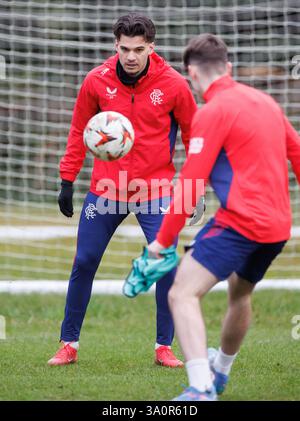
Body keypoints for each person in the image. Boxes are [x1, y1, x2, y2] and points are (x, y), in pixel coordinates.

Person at [148, 33, 300, 400]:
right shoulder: (265, 101)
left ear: (191, 75)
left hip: (242, 224)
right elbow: (297, 153)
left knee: (181, 293)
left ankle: (200, 388)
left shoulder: (212, 112)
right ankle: (220, 373)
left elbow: (189, 184)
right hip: (278, 228)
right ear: (228, 67)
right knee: (239, 292)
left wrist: (162, 241)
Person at [48, 13, 197, 367]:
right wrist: (67, 179)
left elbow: (195, 138)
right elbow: (78, 130)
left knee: (166, 265)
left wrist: (194, 189)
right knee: (84, 261)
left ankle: (164, 347)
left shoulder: (174, 84)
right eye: (124, 48)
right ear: (116, 45)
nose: (130, 56)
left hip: (156, 191)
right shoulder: (96, 81)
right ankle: (68, 344)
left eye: (138, 49)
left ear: (151, 47)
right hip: (105, 190)